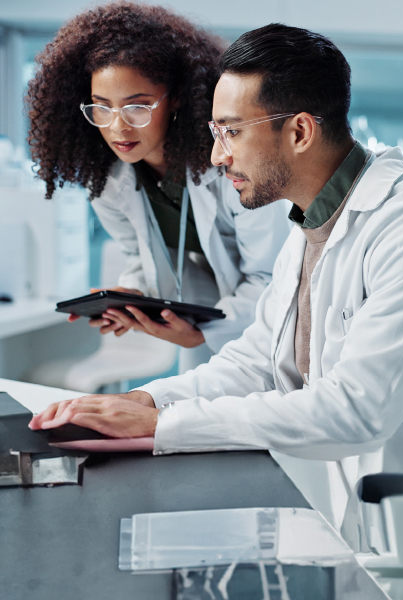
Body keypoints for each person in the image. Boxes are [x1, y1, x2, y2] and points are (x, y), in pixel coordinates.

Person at [29, 23, 403, 546]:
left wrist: (164, 427)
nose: (216, 155)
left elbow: (355, 411)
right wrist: (148, 401)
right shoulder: (308, 225)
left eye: (232, 132)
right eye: (215, 132)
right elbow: (256, 361)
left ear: (300, 131)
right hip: (361, 517)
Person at [26, 2, 289, 371]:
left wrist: (204, 333)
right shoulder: (109, 182)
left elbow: (270, 277)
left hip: (278, 332)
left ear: (177, 97)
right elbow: (140, 255)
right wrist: (133, 295)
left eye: (138, 107)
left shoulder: (233, 166)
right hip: (212, 330)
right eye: (101, 107)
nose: (118, 128)